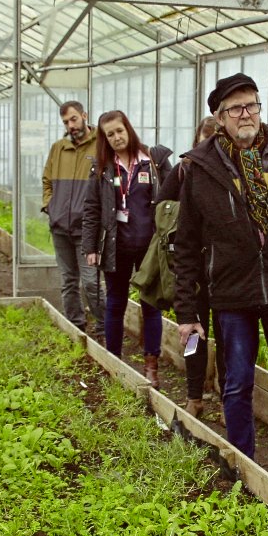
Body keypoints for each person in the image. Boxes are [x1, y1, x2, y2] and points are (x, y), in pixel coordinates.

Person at [174, 72, 268, 506]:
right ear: (219, 118)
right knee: (237, 383)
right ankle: (243, 466)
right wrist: (187, 311)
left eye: (252, 106)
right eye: (235, 109)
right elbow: (185, 244)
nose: (246, 115)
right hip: (231, 294)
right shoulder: (201, 168)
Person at [82, 111, 173, 381]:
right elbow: (91, 209)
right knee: (115, 303)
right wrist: (90, 248)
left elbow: (171, 201)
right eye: (110, 134)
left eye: (120, 131)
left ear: (128, 129)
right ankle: (114, 362)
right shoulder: (102, 168)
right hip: (115, 246)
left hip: (148, 248)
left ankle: (151, 367)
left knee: (150, 304)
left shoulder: (152, 162)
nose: (117, 137)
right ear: (104, 139)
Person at [157, 115, 220, 416]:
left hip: (223, 271)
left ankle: (226, 397)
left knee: (228, 337)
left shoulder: (235, 176)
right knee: (194, 335)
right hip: (193, 269)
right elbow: (161, 204)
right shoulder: (185, 169)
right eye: (203, 143)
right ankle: (195, 395)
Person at [42, 100, 102, 335]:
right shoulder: (59, 148)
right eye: (66, 122)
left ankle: (102, 325)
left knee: (90, 282)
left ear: (85, 115)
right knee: (68, 281)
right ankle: (75, 325)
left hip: (86, 229)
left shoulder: (100, 147)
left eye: (74, 119)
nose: (71, 125)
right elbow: (47, 180)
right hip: (59, 226)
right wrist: (50, 206)